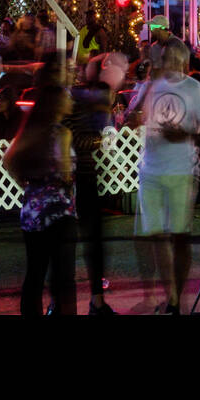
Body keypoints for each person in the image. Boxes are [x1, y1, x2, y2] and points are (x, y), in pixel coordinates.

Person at [136, 38, 200, 314]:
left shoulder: (196, 90)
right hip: (151, 169)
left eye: (170, 59)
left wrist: (185, 134)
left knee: (180, 235)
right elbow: (135, 115)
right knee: (157, 235)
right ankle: (170, 296)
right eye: (163, 58)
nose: (164, 63)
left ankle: (175, 299)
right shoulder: (151, 86)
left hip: (182, 170)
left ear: (182, 62)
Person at [4, 82, 78, 315]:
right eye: (68, 98)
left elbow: (8, 160)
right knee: (64, 274)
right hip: (59, 211)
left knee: (35, 272)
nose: (72, 101)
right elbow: (65, 173)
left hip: (33, 210)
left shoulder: (29, 132)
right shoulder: (62, 133)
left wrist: (28, 182)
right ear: (57, 104)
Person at [67, 52, 126, 315]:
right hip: (73, 178)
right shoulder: (84, 101)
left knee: (93, 241)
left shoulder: (94, 101)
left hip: (88, 178)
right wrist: (101, 142)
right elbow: (74, 142)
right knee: (71, 241)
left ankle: (96, 299)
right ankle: (71, 301)